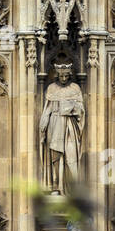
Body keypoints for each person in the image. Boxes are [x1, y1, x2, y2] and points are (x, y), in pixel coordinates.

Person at [39, 62, 85, 195]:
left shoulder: (75, 88)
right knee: (55, 156)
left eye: (66, 76)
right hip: (54, 124)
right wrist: (43, 125)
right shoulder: (51, 88)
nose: (64, 79)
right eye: (61, 76)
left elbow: (81, 111)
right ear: (57, 75)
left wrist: (70, 108)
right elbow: (47, 109)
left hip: (70, 127)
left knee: (70, 156)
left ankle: (71, 187)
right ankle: (55, 185)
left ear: (70, 75)